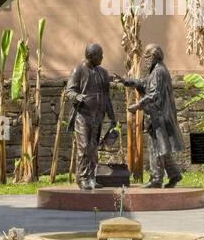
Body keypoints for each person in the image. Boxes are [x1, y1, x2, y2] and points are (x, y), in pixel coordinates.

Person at [114, 43, 185, 188]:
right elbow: (143, 83)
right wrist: (124, 81)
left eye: (147, 57)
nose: (145, 60)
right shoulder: (155, 71)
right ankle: (174, 174)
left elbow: (154, 94)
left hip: (160, 117)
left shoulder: (159, 71)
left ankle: (156, 179)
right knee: (161, 147)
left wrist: (137, 106)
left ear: (153, 56)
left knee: (156, 148)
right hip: (157, 116)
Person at [66, 42, 116, 191]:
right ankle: (82, 178)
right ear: (91, 56)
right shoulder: (78, 71)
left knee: (93, 148)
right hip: (83, 115)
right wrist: (77, 96)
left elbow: (107, 97)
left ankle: (92, 178)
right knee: (84, 147)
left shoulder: (103, 73)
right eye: (100, 55)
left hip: (97, 117)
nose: (102, 57)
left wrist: (112, 117)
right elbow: (69, 91)